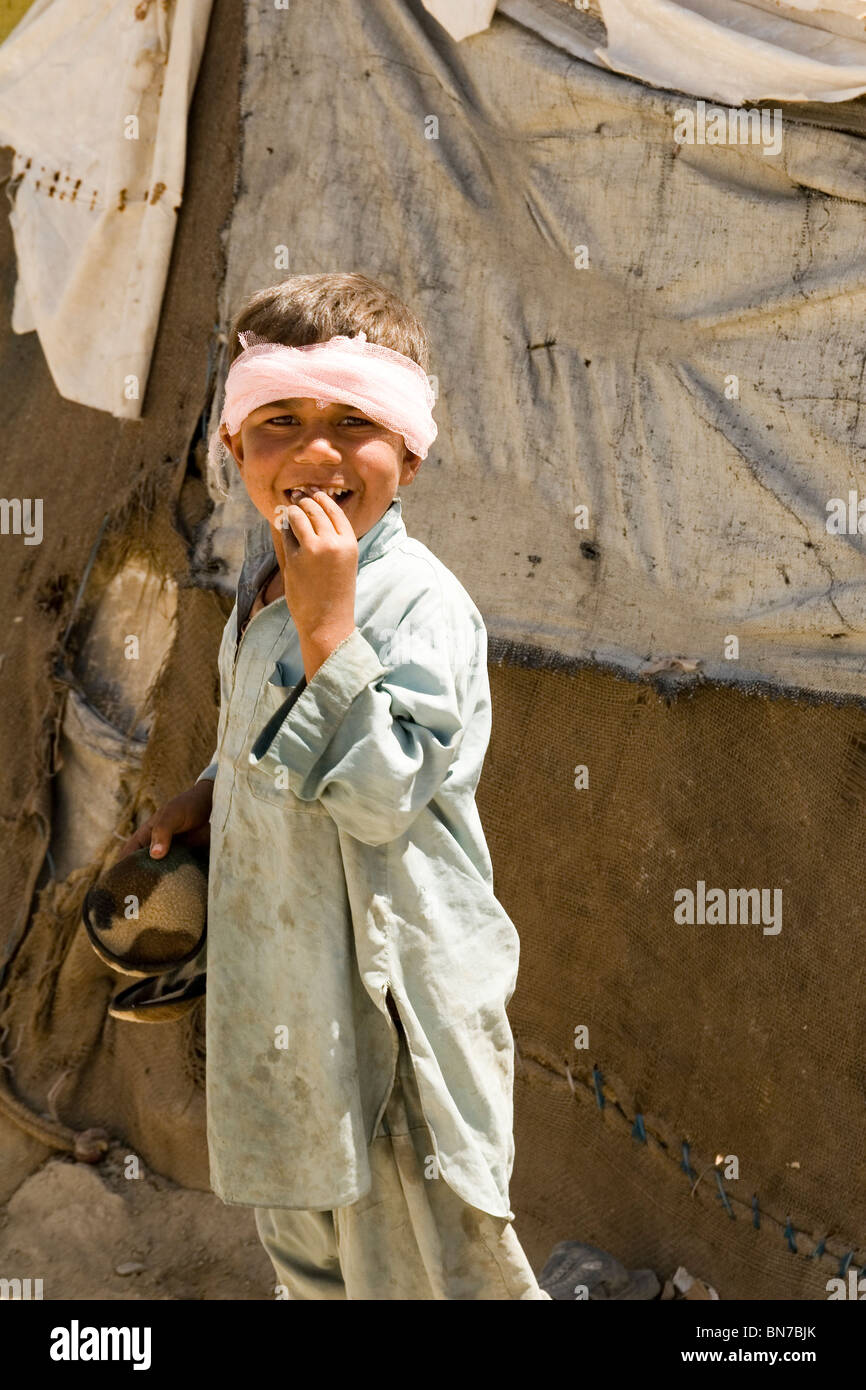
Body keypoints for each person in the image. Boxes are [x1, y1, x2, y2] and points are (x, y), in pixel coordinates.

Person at [120, 272, 550, 1300]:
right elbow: (276, 730)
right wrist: (215, 792)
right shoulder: (263, 580)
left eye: (352, 420)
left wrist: (329, 628)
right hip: (290, 1020)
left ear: (407, 450)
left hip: (394, 1035)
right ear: (234, 449)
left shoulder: (414, 606)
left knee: (428, 1271)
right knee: (314, 1262)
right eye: (280, 420)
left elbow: (381, 793)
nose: (314, 452)